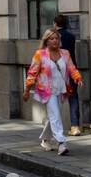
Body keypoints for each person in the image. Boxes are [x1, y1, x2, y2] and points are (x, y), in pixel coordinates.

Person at [23, 26, 83, 156]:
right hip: (46, 90)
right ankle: (62, 143)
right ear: (46, 41)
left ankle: (45, 139)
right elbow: (32, 73)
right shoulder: (40, 54)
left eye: (56, 38)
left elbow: (72, 68)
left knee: (52, 116)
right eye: (51, 39)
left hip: (61, 89)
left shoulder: (65, 53)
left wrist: (77, 78)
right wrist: (27, 90)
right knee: (55, 115)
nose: (55, 41)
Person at [53, 13, 81, 137]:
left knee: (55, 98)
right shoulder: (71, 36)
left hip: (58, 71)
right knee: (73, 97)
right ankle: (75, 126)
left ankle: (55, 126)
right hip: (71, 69)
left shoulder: (54, 37)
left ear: (55, 24)